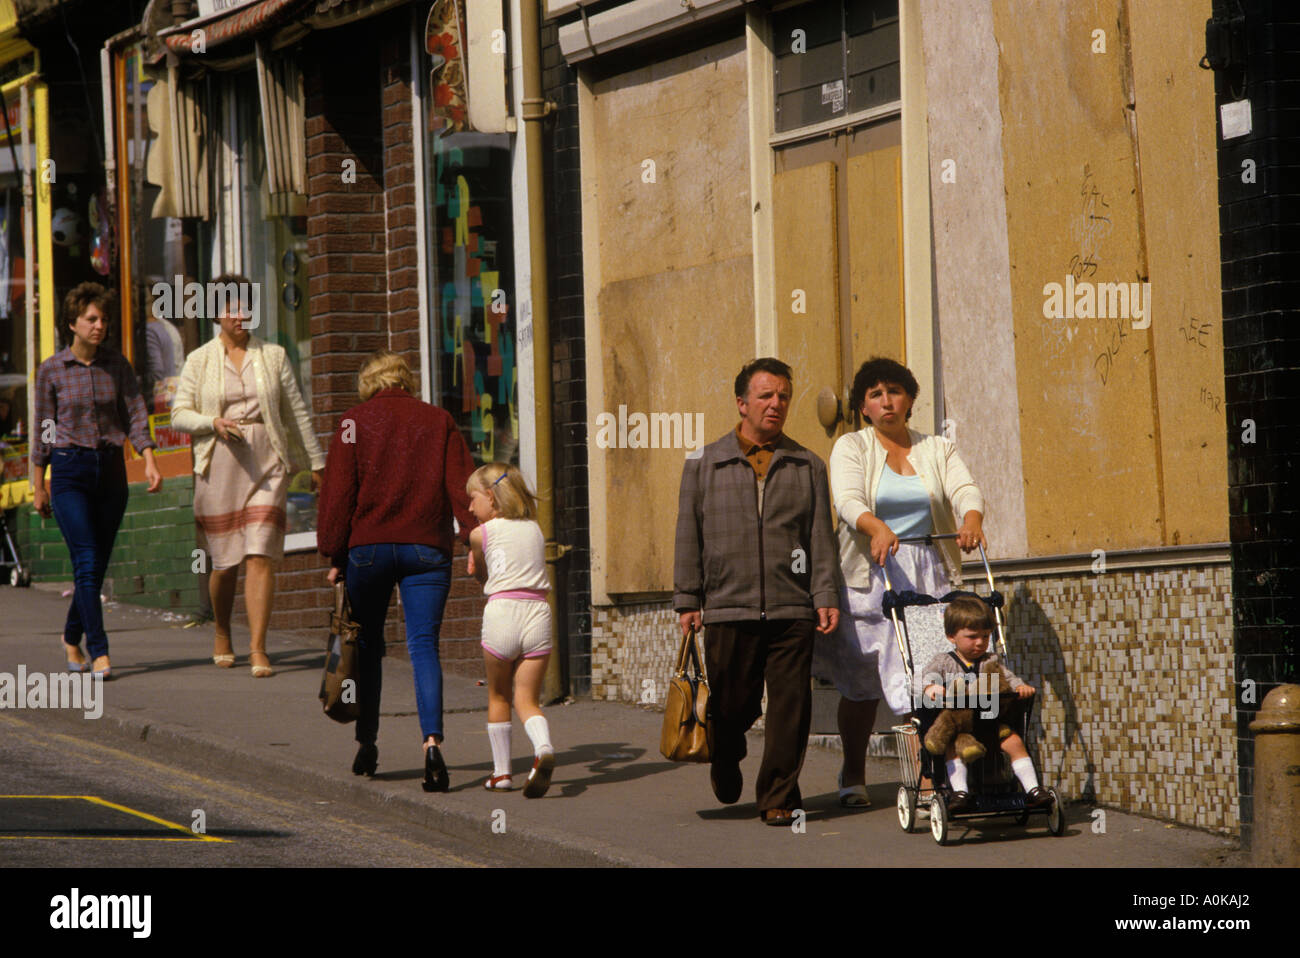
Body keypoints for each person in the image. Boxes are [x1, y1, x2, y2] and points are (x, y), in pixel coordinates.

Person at [673, 357, 840, 826]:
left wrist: (824, 593)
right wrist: (688, 599)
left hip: (793, 607)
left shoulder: (808, 464)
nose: (776, 404)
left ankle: (777, 796)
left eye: (784, 396)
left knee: (791, 708)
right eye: (766, 396)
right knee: (730, 705)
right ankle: (725, 755)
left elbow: (819, 537)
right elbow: (689, 533)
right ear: (742, 403)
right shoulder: (704, 464)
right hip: (729, 606)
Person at [815, 356, 986, 807]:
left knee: (919, 676)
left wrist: (971, 518)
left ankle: (927, 777)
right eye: (875, 394)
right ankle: (853, 770)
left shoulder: (936, 448)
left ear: (909, 399)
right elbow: (848, 499)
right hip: (869, 573)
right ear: (864, 407)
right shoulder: (852, 447)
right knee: (861, 688)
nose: (886, 401)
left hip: (925, 574)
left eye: (894, 391)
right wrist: (876, 526)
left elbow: (964, 487)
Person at [317, 351, 477, 792]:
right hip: (426, 547)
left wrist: (334, 553)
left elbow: (337, 496)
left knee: (367, 646)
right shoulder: (438, 420)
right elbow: (462, 487)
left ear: (369, 384)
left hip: (367, 550)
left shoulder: (353, 422)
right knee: (423, 645)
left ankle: (367, 744)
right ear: (406, 382)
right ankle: (432, 749)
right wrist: (473, 536)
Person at [171, 274, 325, 677]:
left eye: (246, 306)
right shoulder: (199, 360)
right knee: (224, 562)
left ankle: (259, 647)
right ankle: (222, 630)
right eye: (231, 307)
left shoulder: (272, 356)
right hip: (219, 460)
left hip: (266, 459)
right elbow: (178, 414)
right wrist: (212, 422)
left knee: (260, 553)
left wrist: (317, 462)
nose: (241, 315)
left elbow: (296, 412)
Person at [31, 282, 163, 678]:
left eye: (103, 319)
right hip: (70, 472)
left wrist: (151, 459)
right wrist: (40, 482)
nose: (99, 325)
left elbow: (136, 415)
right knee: (86, 561)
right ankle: (99, 651)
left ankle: (71, 637)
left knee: (95, 566)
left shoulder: (116, 365)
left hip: (111, 471)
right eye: (91, 319)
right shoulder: (52, 370)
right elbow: (45, 429)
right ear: (73, 322)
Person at [465, 462, 556, 797]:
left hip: (502, 614)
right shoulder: (534, 528)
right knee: (527, 698)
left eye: (473, 499)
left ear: (491, 496)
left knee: (498, 695)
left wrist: (476, 564)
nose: (470, 507)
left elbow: (484, 576)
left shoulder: (480, 534)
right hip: (537, 614)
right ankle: (543, 747)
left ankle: (501, 774)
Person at [921, 595, 1050, 812]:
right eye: (972, 637)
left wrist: (1020, 687)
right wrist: (931, 687)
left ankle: (1033, 789)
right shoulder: (944, 662)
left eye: (985, 636)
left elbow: (1008, 678)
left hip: (989, 721)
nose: (980, 642)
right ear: (952, 636)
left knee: (1015, 741)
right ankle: (960, 792)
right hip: (960, 729)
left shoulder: (990, 660)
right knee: (952, 748)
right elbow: (927, 677)